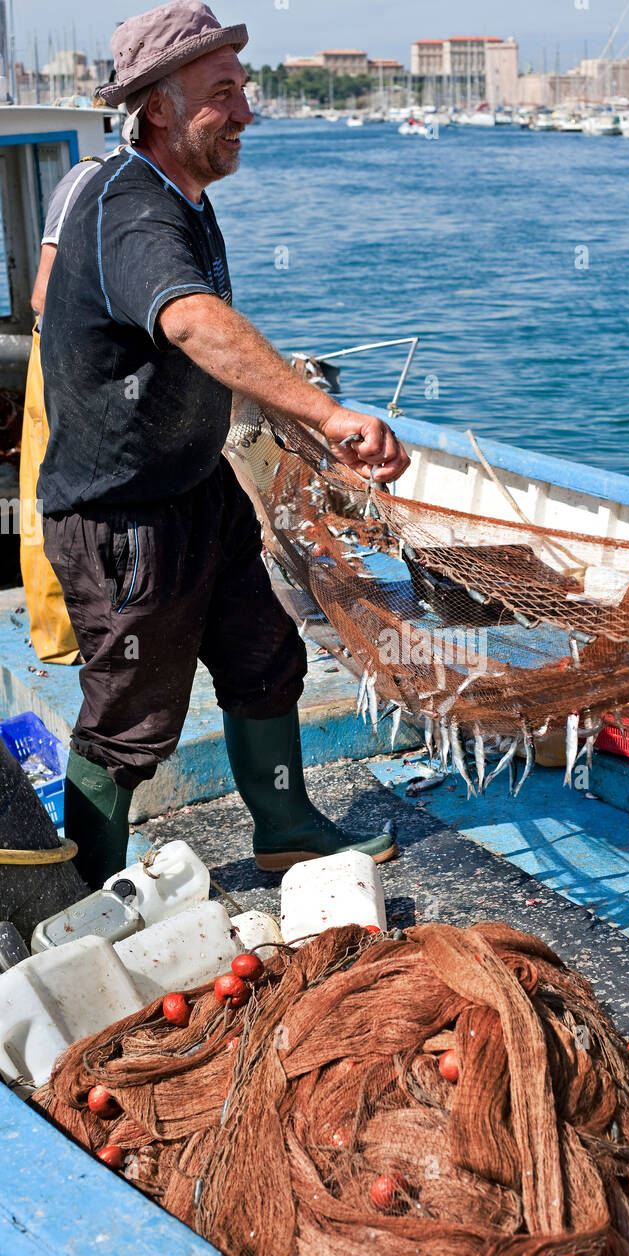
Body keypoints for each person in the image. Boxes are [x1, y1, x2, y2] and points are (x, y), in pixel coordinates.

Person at [39, 2, 410, 888]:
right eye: (221, 95)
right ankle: (83, 894)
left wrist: (285, 427)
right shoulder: (131, 206)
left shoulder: (183, 198)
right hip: (124, 519)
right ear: (158, 109)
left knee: (265, 657)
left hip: (199, 493)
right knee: (129, 719)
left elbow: (208, 354)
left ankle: (285, 827)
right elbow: (196, 323)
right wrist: (329, 415)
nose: (245, 111)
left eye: (243, 89)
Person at [22, 148, 126, 666]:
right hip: (62, 360)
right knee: (50, 486)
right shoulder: (89, 180)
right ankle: (62, 634)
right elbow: (44, 294)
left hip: (90, 365)